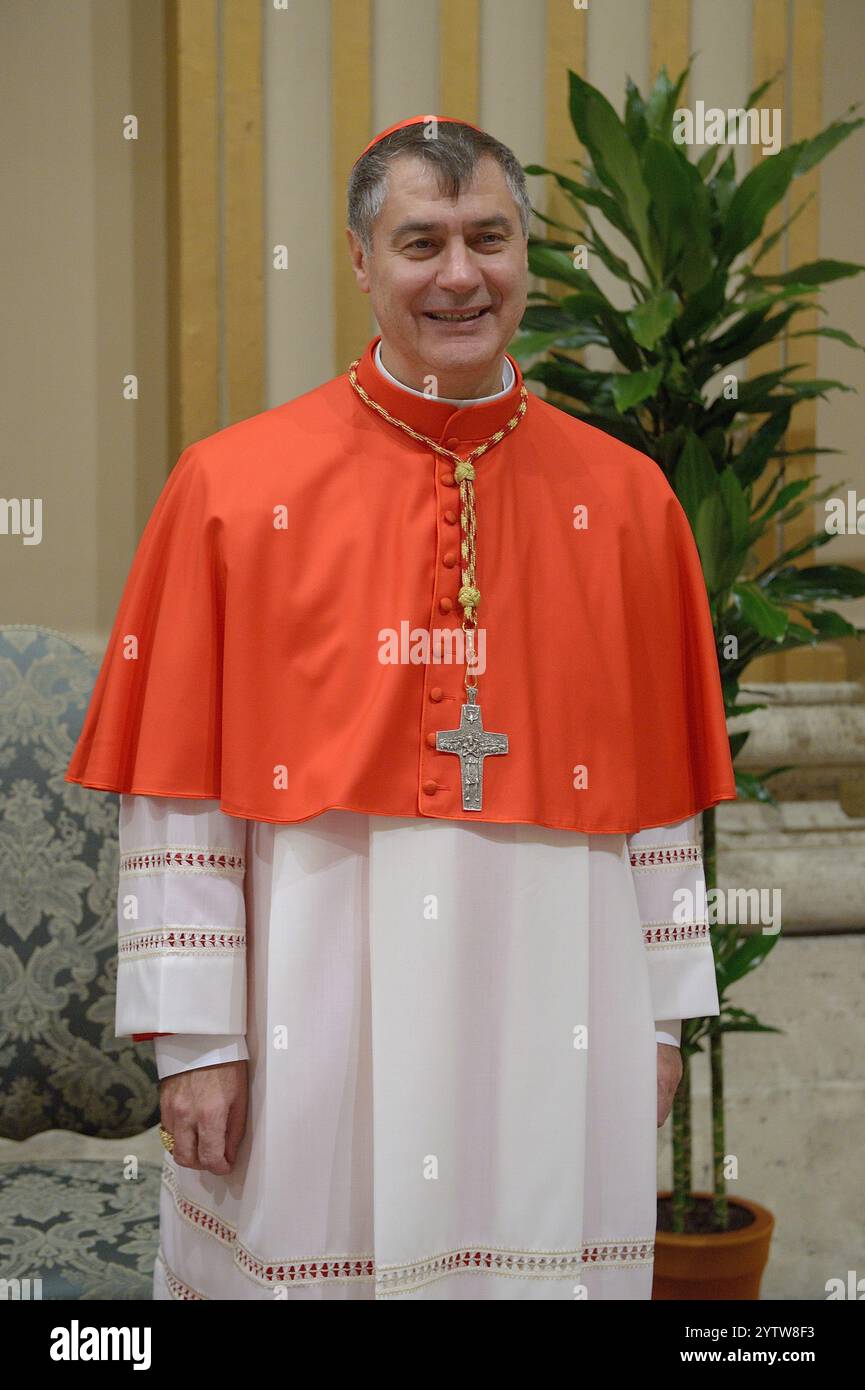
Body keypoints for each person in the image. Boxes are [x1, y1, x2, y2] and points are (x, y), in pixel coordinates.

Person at [66, 115, 736, 1300]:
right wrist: (201, 1043)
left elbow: (660, 792)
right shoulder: (233, 488)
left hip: (558, 995)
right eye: (420, 241)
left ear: (528, 255)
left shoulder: (626, 502)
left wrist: (660, 1019)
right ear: (360, 262)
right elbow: (176, 791)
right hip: (310, 991)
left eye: (491, 237)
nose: (461, 274)